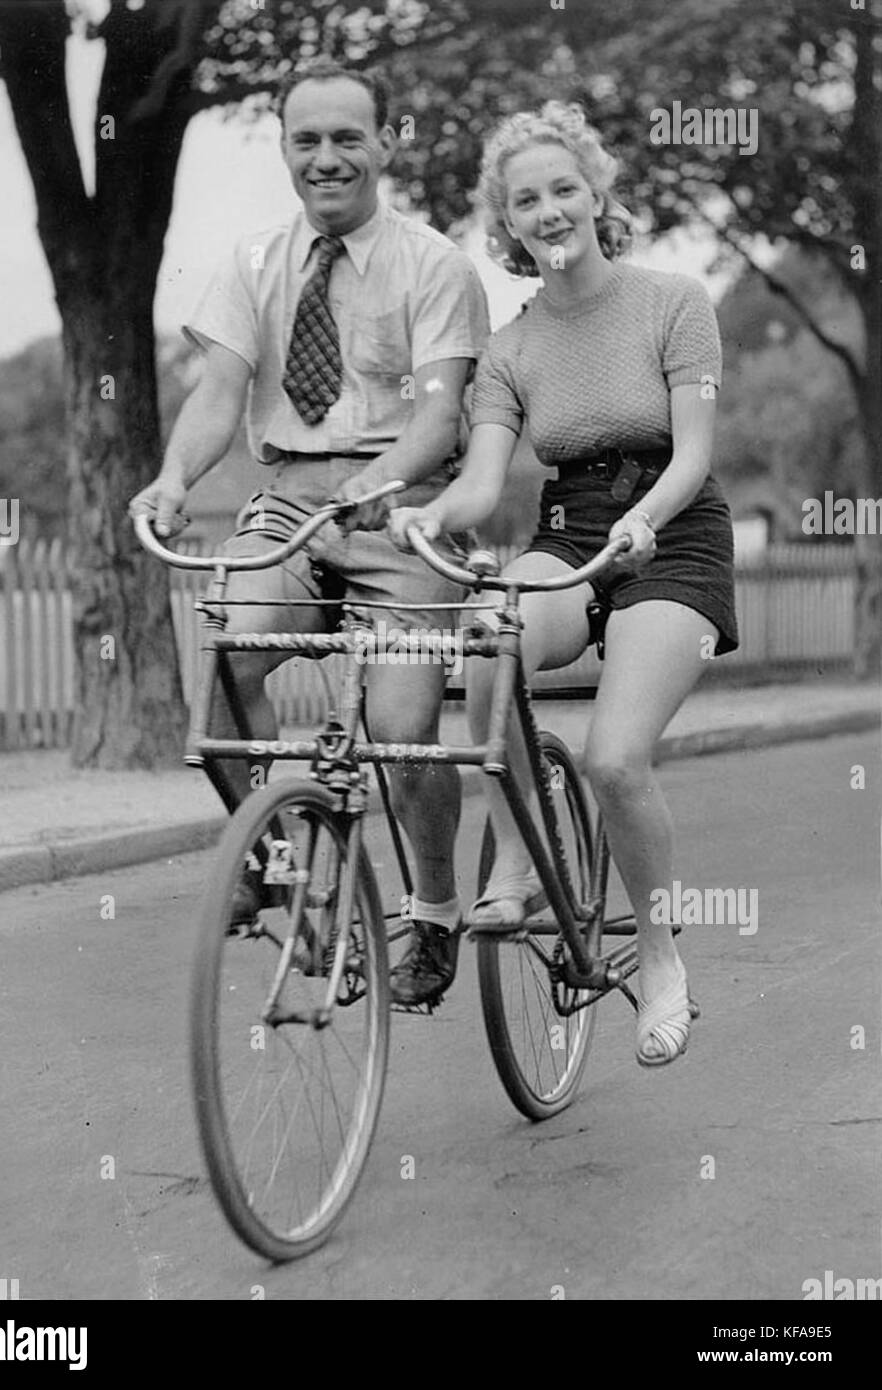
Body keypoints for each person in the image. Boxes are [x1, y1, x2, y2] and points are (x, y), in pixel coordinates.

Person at [129, 57, 490, 1009]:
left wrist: (381, 485)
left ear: (386, 143)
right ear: (286, 149)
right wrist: (172, 480)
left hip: (402, 515)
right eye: (307, 140)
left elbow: (440, 414)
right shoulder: (254, 262)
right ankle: (280, 860)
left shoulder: (436, 266)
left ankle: (436, 909)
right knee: (218, 675)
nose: (327, 158)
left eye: (346, 138)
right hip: (288, 506)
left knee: (403, 731)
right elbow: (219, 394)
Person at [389, 100, 738, 1066]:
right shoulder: (511, 347)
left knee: (615, 759)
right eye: (525, 201)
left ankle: (660, 961)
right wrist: (432, 514)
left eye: (563, 190)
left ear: (597, 195)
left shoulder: (674, 302)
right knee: (488, 632)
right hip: (571, 529)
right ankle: (520, 857)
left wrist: (645, 521)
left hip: (674, 533)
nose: (548, 212)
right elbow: (485, 481)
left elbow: (694, 454)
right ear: (506, 221)